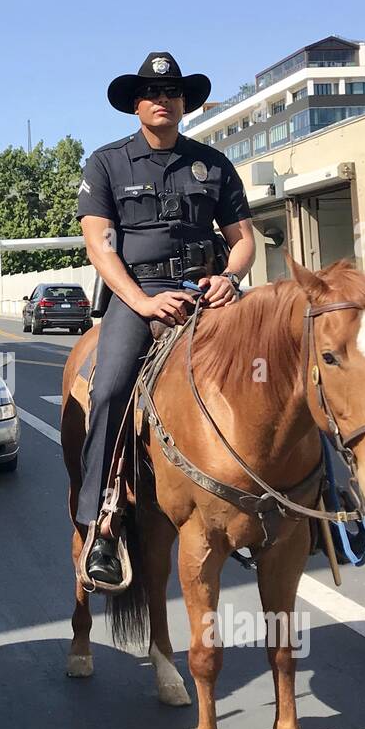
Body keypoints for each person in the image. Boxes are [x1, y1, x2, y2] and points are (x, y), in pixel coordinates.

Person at [76, 52, 256, 585]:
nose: (163, 99)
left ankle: (323, 502)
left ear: (184, 103)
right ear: (136, 104)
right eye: (153, 92)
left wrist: (231, 277)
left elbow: (242, 239)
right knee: (108, 388)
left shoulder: (212, 164)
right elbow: (99, 245)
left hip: (209, 291)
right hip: (140, 295)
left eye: (173, 92)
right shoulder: (106, 163)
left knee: (287, 360)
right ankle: (100, 524)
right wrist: (142, 301)